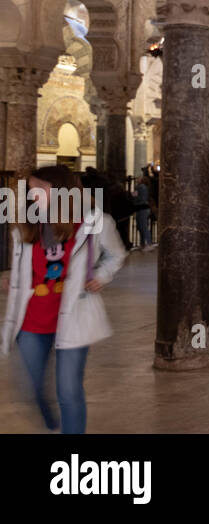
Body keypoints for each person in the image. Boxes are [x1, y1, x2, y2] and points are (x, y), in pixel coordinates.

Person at [1, 164, 127, 433]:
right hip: (32, 319)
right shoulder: (27, 224)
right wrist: (14, 278)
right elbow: (28, 267)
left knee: (69, 391)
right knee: (33, 388)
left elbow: (117, 254)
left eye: (40, 188)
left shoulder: (93, 222)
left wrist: (102, 276)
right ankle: (52, 421)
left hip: (74, 317)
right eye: (31, 188)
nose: (32, 194)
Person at [133, 175, 152, 248]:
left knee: (143, 226)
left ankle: (147, 243)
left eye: (139, 178)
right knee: (142, 226)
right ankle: (144, 243)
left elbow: (137, 198)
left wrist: (134, 197)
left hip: (142, 208)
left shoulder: (140, 187)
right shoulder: (143, 187)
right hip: (143, 208)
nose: (137, 179)